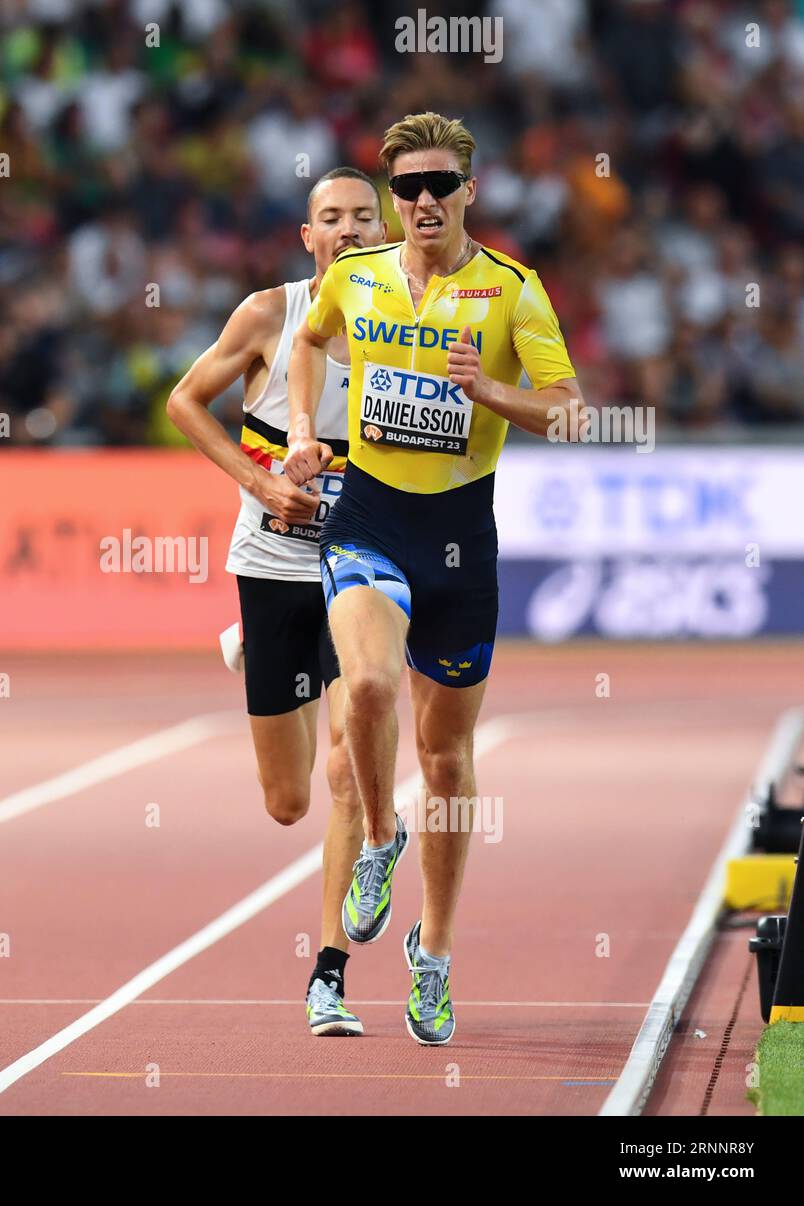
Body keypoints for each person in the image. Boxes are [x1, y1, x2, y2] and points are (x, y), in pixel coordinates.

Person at [286, 114, 587, 1045]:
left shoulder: (512, 292)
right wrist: (301, 430)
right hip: (372, 519)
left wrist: (486, 390)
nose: (422, 203)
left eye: (439, 187)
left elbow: (572, 415)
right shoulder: (354, 278)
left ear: (469, 191)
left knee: (449, 760)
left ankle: (436, 956)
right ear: (391, 199)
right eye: (406, 189)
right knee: (369, 687)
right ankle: (380, 837)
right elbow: (308, 341)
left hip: (461, 541)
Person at [167, 167, 386, 1035]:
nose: (348, 230)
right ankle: (258, 653)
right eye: (330, 218)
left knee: (347, 767)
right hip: (271, 562)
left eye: (364, 217)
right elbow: (184, 403)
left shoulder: (413, 324)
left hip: (361, 568)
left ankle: (328, 972)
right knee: (289, 799)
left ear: (388, 230)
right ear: (309, 237)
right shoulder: (270, 313)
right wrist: (259, 484)